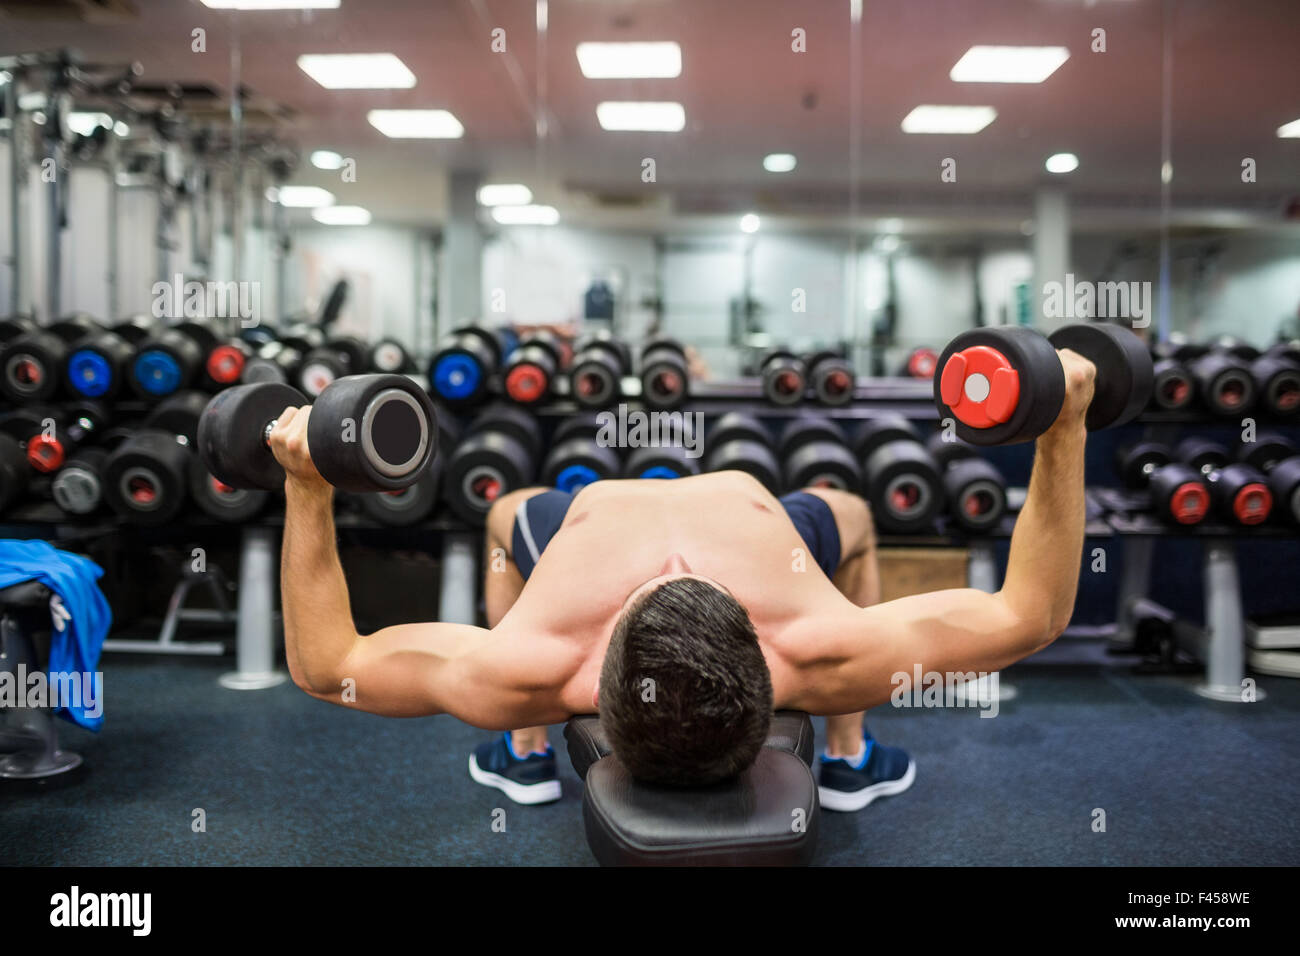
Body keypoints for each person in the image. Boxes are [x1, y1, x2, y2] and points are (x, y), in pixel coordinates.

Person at [271, 349, 1094, 809]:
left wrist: (306, 487)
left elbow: (327, 663)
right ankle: (849, 755)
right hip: (764, 527)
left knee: (499, 518)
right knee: (853, 517)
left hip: (582, 523)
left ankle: (520, 754)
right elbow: (1032, 612)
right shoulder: (823, 650)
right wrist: (1066, 426)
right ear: (771, 675)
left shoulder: (529, 668)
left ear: (595, 687)